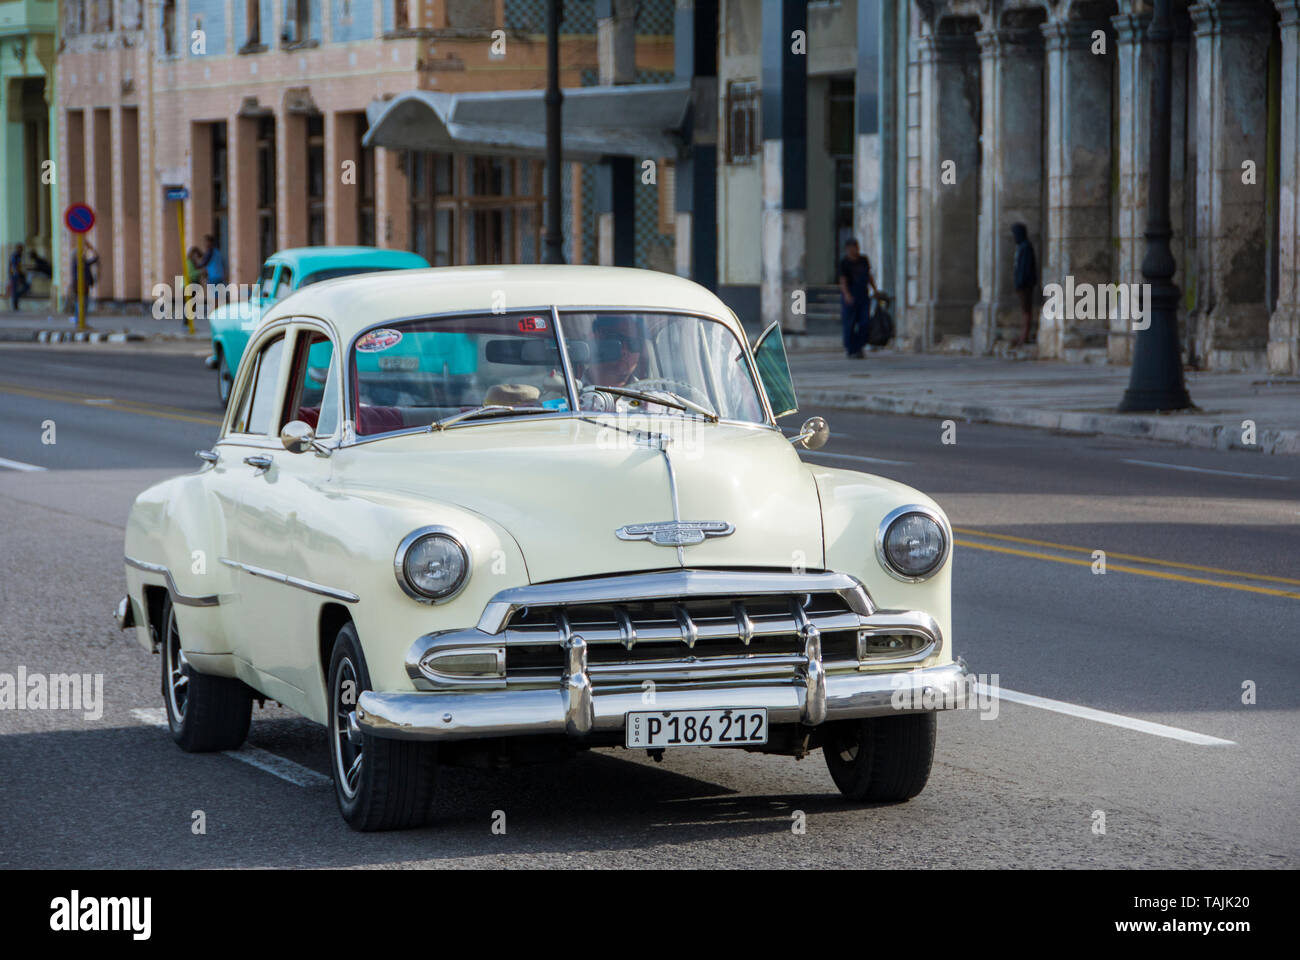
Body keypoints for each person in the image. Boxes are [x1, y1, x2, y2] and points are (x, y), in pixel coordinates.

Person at [838, 238, 877, 359]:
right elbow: (843, 281)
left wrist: (875, 290)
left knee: (864, 322)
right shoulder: (844, 263)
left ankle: (859, 347)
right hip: (850, 295)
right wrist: (847, 295)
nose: (853, 250)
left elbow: (869, 276)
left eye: (855, 247)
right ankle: (851, 349)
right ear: (847, 249)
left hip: (863, 295)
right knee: (849, 324)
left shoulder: (864, 260)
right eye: (850, 248)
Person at [586, 315, 645, 388]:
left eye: (634, 344)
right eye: (617, 339)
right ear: (597, 338)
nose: (625, 351)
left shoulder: (651, 397)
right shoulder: (569, 391)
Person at [1011, 222, 1039, 346]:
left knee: (1026, 311)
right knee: (1024, 310)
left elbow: (1025, 268)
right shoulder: (1021, 246)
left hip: (1025, 285)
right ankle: (1023, 334)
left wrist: (1021, 282)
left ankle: (1025, 335)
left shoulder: (1026, 247)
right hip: (1021, 284)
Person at [67, 240, 99, 326]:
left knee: (84, 304)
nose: (83, 255)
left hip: (85, 286)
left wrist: (91, 249)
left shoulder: (84, 262)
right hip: (79, 286)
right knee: (80, 304)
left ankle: (82, 321)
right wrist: (87, 249)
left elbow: (96, 258)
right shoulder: (77, 263)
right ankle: (79, 322)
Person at [8, 243, 31, 310]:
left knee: (26, 287)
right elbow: (14, 267)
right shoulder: (15, 256)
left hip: (18, 275)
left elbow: (18, 266)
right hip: (15, 275)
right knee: (15, 290)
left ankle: (16, 298)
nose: (21, 250)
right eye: (20, 248)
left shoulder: (19, 256)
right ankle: (15, 305)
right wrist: (17, 275)